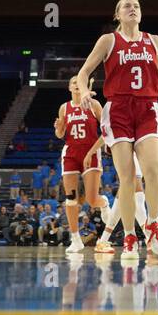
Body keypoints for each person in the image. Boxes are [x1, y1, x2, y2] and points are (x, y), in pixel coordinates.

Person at [75, 0, 158, 262]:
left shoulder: (154, 41)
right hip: (118, 109)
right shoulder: (108, 41)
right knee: (128, 179)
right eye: (127, 6)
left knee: (154, 171)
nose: (133, 9)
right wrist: (85, 91)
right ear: (117, 15)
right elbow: (85, 71)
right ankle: (130, 236)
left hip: (147, 107)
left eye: (137, 6)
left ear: (141, 15)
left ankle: (153, 225)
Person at [55, 75, 116, 253]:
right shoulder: (64, 108)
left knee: (91, 199)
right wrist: (58, 128)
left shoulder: (94, 104)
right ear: (69, 87)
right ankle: (75, 240)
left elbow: (106, 130)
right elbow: (60, 134)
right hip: (71, 154)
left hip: (91, 153)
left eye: (78, 83)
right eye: (73, 82)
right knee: (71, 199)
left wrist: (92, 151)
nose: (76, 85)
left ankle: (103, 203)